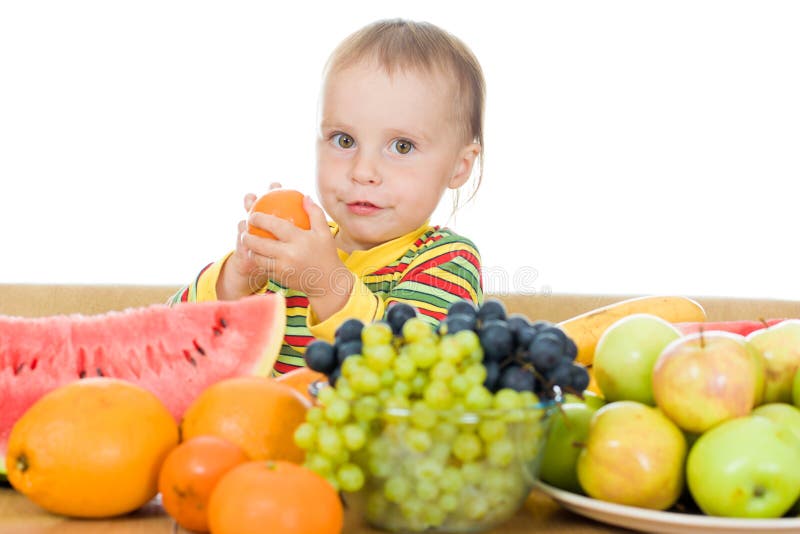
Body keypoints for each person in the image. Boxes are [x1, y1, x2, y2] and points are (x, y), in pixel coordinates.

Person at [170, 19, 486, 375]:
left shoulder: (447, 260)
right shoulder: (293, 252)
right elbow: (169, 341)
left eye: (402, 146)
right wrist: (235, 280)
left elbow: (418, 369)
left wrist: (325, 282)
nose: (363, 171)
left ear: (459, 167)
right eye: (344, 140)